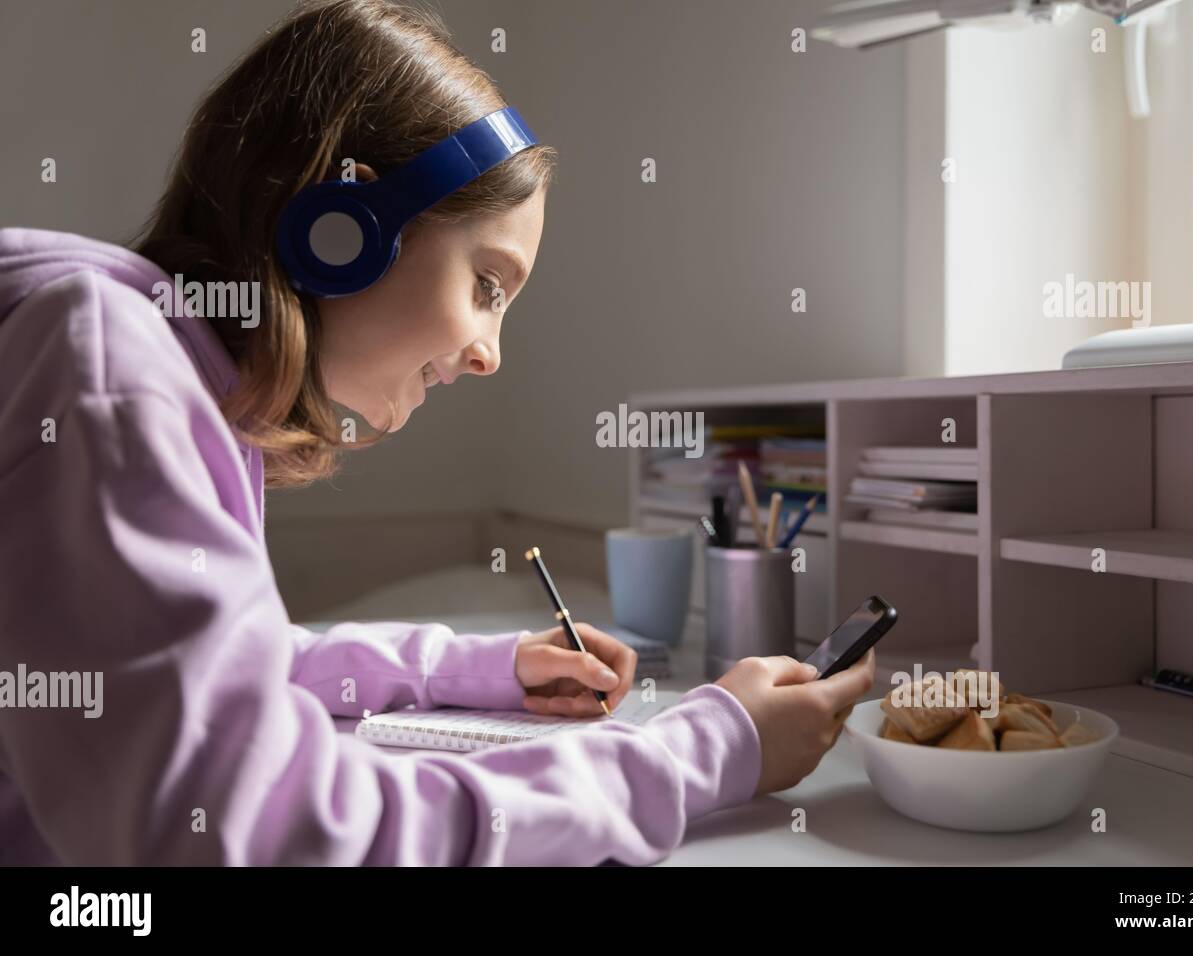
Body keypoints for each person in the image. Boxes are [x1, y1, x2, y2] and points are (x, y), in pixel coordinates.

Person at [0, 0, 874, 866]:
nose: (490, 354)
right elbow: (258, 831)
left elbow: (224, 669)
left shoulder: (147, 361)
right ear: (340, 236)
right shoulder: (110, 365)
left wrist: (481, 672)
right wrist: (699, 753)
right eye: (489, 286)